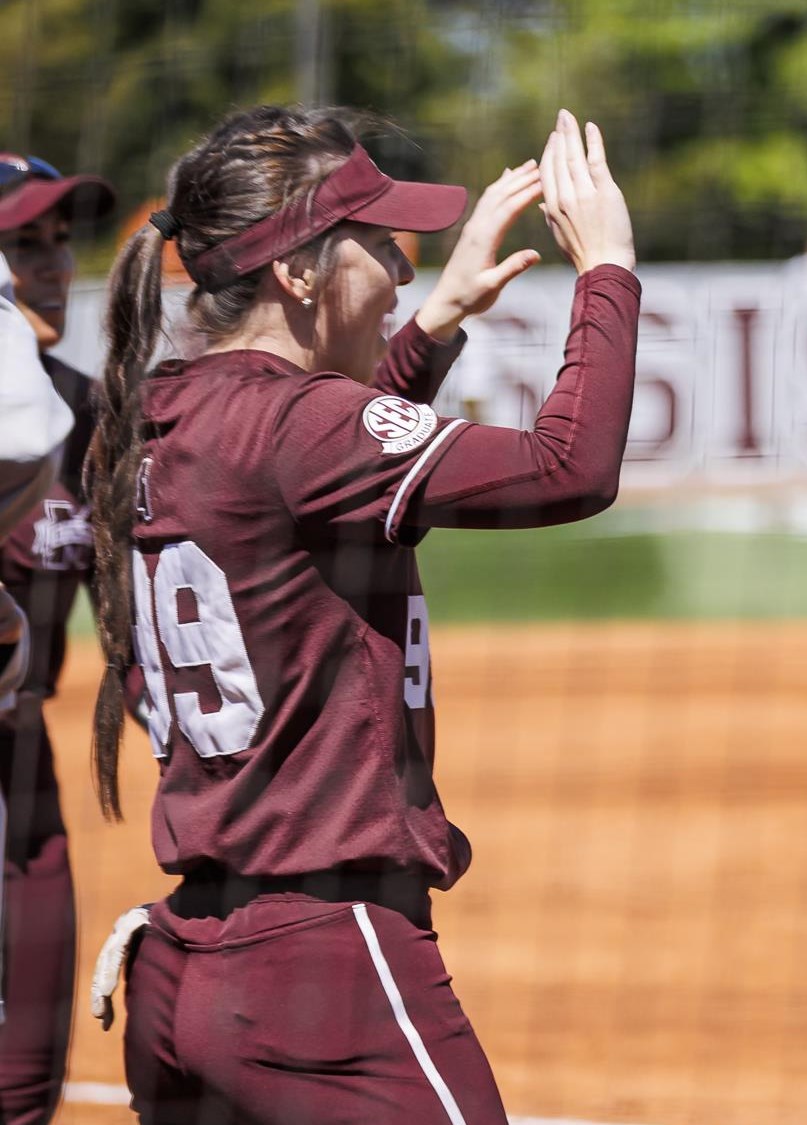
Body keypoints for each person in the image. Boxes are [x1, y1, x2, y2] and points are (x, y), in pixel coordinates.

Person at [86, 105, 637, 1124]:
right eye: (380, 245)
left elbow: (300, 478)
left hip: (190, 958)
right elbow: (571, 469)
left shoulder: (156, 415)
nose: (404, 268)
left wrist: (430, 332)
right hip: (326, 975)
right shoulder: (294, 427)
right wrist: (606, 270)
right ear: (298, 273)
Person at [0, 150, 115, 1125]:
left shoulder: (92, 416)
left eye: (59, 238)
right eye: (18, 242)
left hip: (24, 773)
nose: (49, 265)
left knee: (24, 1088)